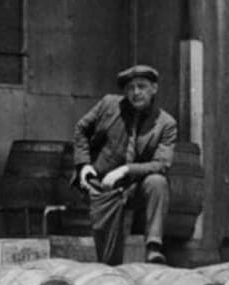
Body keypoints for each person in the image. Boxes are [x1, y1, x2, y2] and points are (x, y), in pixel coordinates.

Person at [73, 64, 177, 266]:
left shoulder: (166, 123)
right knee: (108, 260)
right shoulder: (109, 105)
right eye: (130, 88)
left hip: (134, 186)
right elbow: (81, 130)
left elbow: (162, 164)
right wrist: (84, 165)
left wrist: (126, 170)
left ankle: (153, 248)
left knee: (158, 182)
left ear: (154, 88)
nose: (136, 93)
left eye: (142, 86)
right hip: (102, 185)